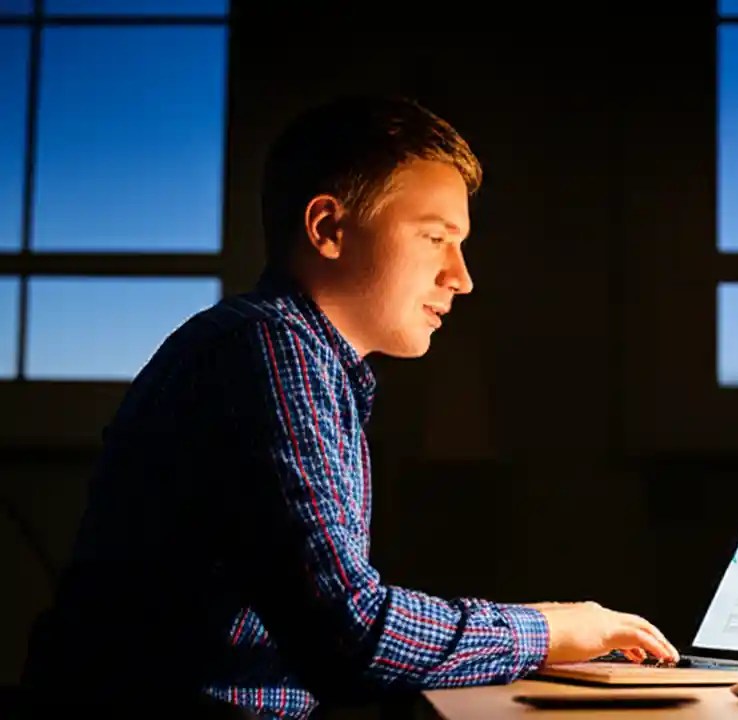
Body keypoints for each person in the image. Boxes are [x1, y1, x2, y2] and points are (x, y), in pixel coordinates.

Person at [19, 95, 678, 719]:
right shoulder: (270, 349)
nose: (461, 277)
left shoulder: (307, 361)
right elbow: (350, 633)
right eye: (435, 238)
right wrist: (550, 629)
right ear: (329, 229)